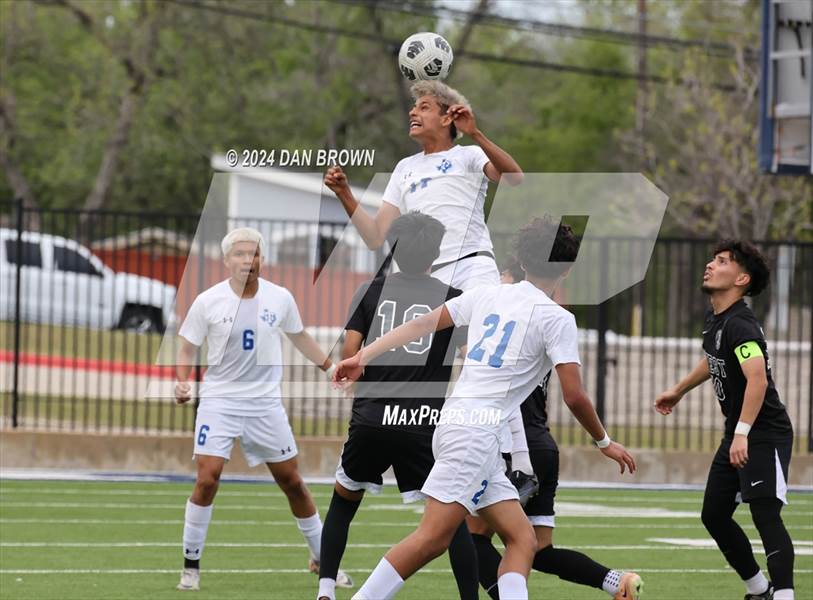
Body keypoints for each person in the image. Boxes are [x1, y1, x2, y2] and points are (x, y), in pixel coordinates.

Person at [333, 217, 636, 600]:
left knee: (522, 539)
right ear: (568, 268)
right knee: (431, 539)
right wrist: (603, 441)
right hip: (474, 434)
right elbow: (574, 396)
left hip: (466, 427)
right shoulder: (557, 318)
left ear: (522, 261)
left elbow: (424, 322)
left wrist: (362, 355)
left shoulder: (487, 295)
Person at [324, 78, 537, 488]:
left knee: (486, 362)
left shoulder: (469, 155)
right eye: (414, 107)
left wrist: (476, 132)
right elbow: (374, 235)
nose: (413, 112)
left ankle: (520, 465)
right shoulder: (405, 169)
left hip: (474, 267)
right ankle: (452, 458)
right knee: (438, 371)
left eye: (423, 107)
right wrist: (345, 193)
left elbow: (514, 178)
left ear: (447, 117)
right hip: (431, 280)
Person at [173, 227, 351, 591]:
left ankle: (323, 561)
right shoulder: (208, 301)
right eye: (239, 254)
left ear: (262, 260)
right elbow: (187, 344)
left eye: (253, 254)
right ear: (226, 261)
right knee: (207, 479)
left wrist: (331, 368)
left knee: (293, 482)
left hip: (264, 403)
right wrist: (181, 380)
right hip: (220, 400)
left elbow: (300, 336)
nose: (247, 261)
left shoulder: (280, 298)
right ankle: (191, 566)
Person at [317, 212, 478, 600]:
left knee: (343, 502)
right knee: (451, 519)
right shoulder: (453, 299)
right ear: (437, 252)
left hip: (371, 417)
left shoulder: (370, 291)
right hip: (422, 421)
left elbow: (350, 354)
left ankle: (325, 592)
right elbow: (470, 356)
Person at [469, 255, 642, 600]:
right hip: (543, 447)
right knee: (540, 549)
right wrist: (603, 441)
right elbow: (572, 391)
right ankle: (614, 581)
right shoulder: (549, 321)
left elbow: (573, 396)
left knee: (470, 537)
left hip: (509, 448)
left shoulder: (498, 318)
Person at [655, 240, 795, 600]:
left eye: (721, 261)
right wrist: (679, 389)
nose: (710, 265)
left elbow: (757, 378)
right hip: (739, 432)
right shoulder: (717, 319)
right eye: (712, 259)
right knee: (714, 515)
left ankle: (784, 595)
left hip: (762, 434)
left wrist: (743, 433)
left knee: (765, 516)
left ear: (742, 278)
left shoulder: (742, 324)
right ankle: (759, 590)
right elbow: (713, 358)